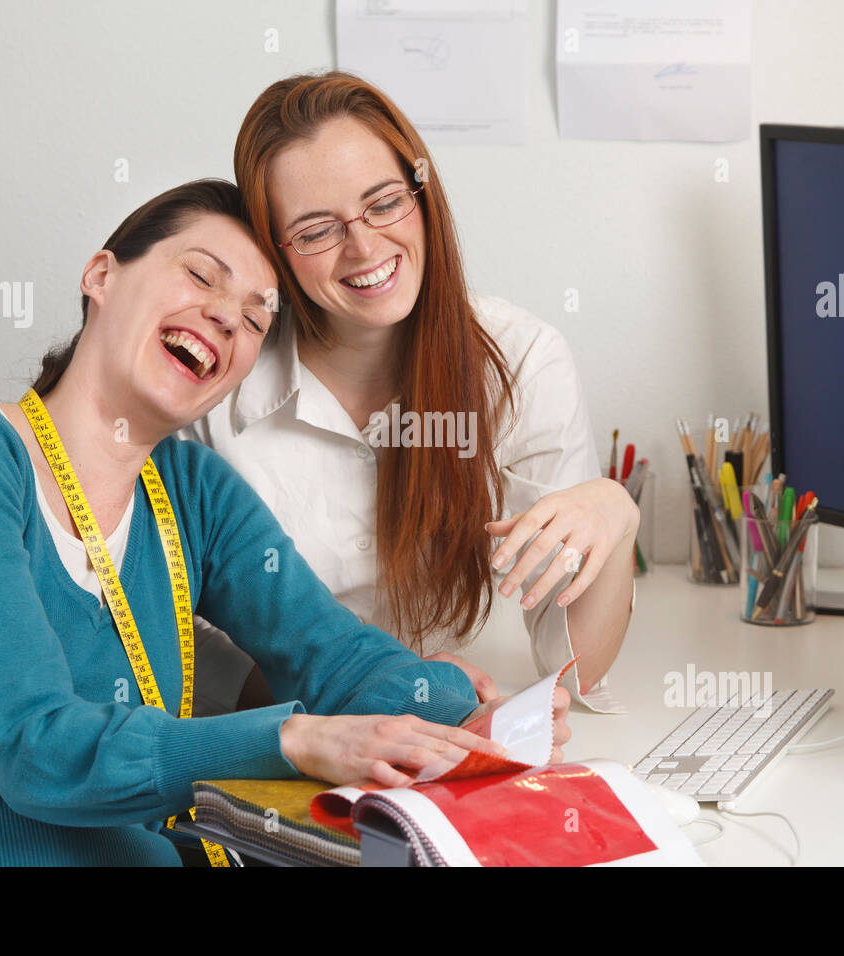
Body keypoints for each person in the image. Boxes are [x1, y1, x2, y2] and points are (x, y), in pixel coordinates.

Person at [0, 179, 514, 867]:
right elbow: (33, 748)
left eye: (256, 318)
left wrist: (460, 709)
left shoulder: (194, 492)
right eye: (203, 277)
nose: (229, 317)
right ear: (101, 277)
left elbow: (337, 659)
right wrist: (292, 739)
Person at [180, 72, 639, 715]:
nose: (365, 246)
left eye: (385, 201)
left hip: (454, 738)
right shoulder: (216, 381)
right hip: (280, 749)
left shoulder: (525, 361)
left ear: (422, 191)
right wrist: (360, 691)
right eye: (316, 231)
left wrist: (615, 516)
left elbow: (574, 671)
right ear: (275, 251)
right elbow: (167, 636)